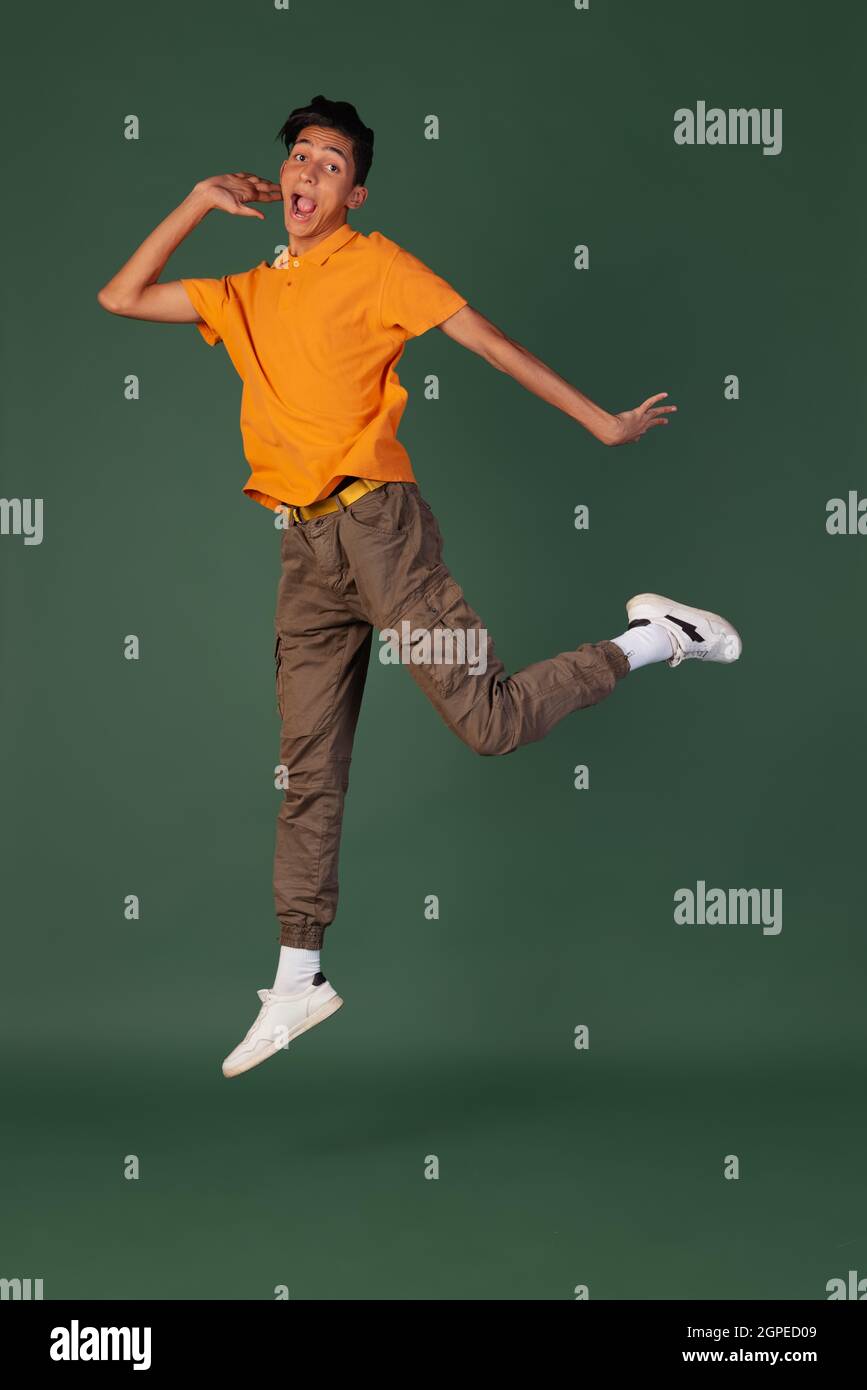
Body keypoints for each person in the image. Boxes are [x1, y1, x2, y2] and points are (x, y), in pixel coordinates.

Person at [97, 94, 741, 1079]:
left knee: (488, 722)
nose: (308, 175)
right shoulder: (249, 292)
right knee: (305, 770)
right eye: (298, 158)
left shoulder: (378, 264)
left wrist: (602, 425)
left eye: (330, 164)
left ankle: (655, 636)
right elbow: (121, 296)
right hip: (305, 554)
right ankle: (297, 978)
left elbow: (483, 338)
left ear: (356, 189)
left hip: (381, 537)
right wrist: (193, 199)